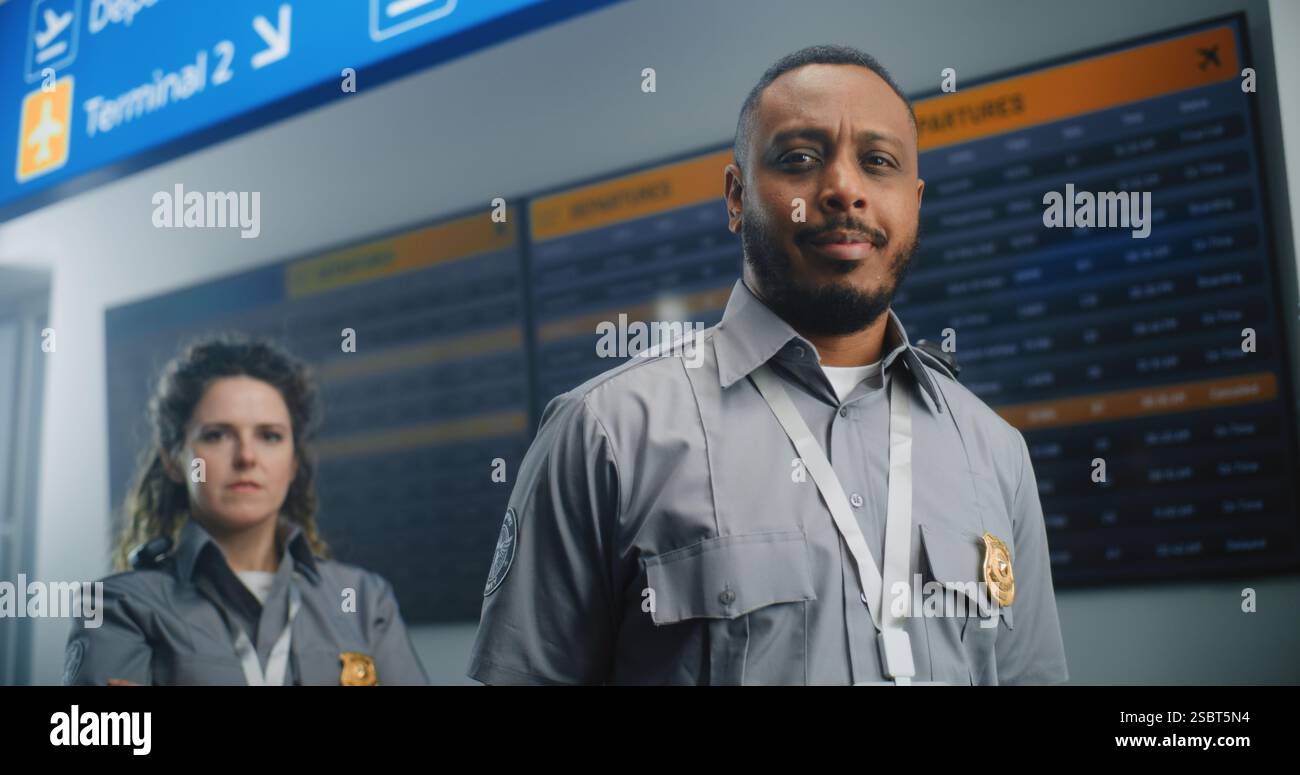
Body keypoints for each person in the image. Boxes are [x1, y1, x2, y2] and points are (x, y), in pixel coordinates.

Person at [468, 45, 1068, 685]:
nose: (843, 189)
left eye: (878, 162)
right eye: (800, 159)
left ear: (914, 202)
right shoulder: (606, 433)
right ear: (736, 196)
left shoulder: (994, 452)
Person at [64, 336, 429, 685]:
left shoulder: (365, 600)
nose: (246, 457)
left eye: (269, 436)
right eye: (217, 435)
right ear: (174, 460)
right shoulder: (120, 606)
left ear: (293, 463)